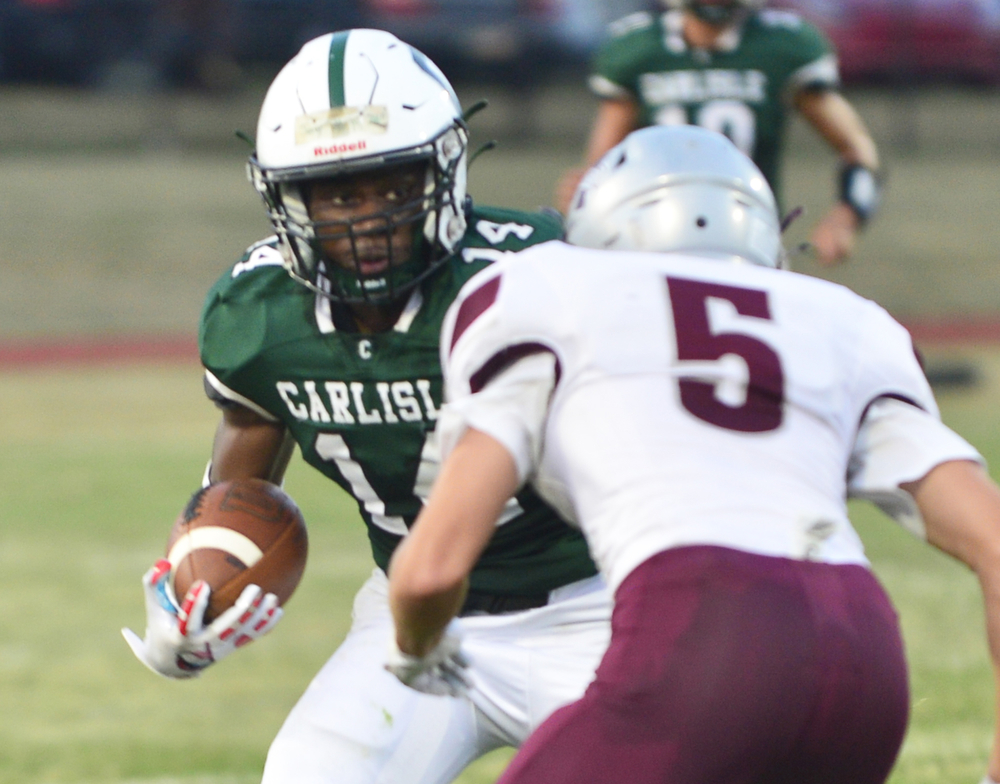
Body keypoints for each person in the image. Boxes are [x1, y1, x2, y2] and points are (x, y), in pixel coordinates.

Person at [386, 125, 1000, 784]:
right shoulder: (844, 318)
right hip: (867, 661)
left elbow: (429, 572)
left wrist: (420, 648)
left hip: (704, 629)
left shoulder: (550, 288)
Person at [121, 29, 611, 784]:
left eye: (393, 185)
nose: (369, 219)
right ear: (289, 199)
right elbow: (235, 497)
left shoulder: (536, 273)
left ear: (442, 173)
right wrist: (188, 595)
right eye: (340, 193)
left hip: (590, 610)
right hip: (404, 620)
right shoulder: (260, 317)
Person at [555, 0, 882, 266]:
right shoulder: (638, 49)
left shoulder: (783, 46)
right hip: (651, 237)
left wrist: (847, 215)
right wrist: (588, 191)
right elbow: (601, 165)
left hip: (748, 237)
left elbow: (858, 149)